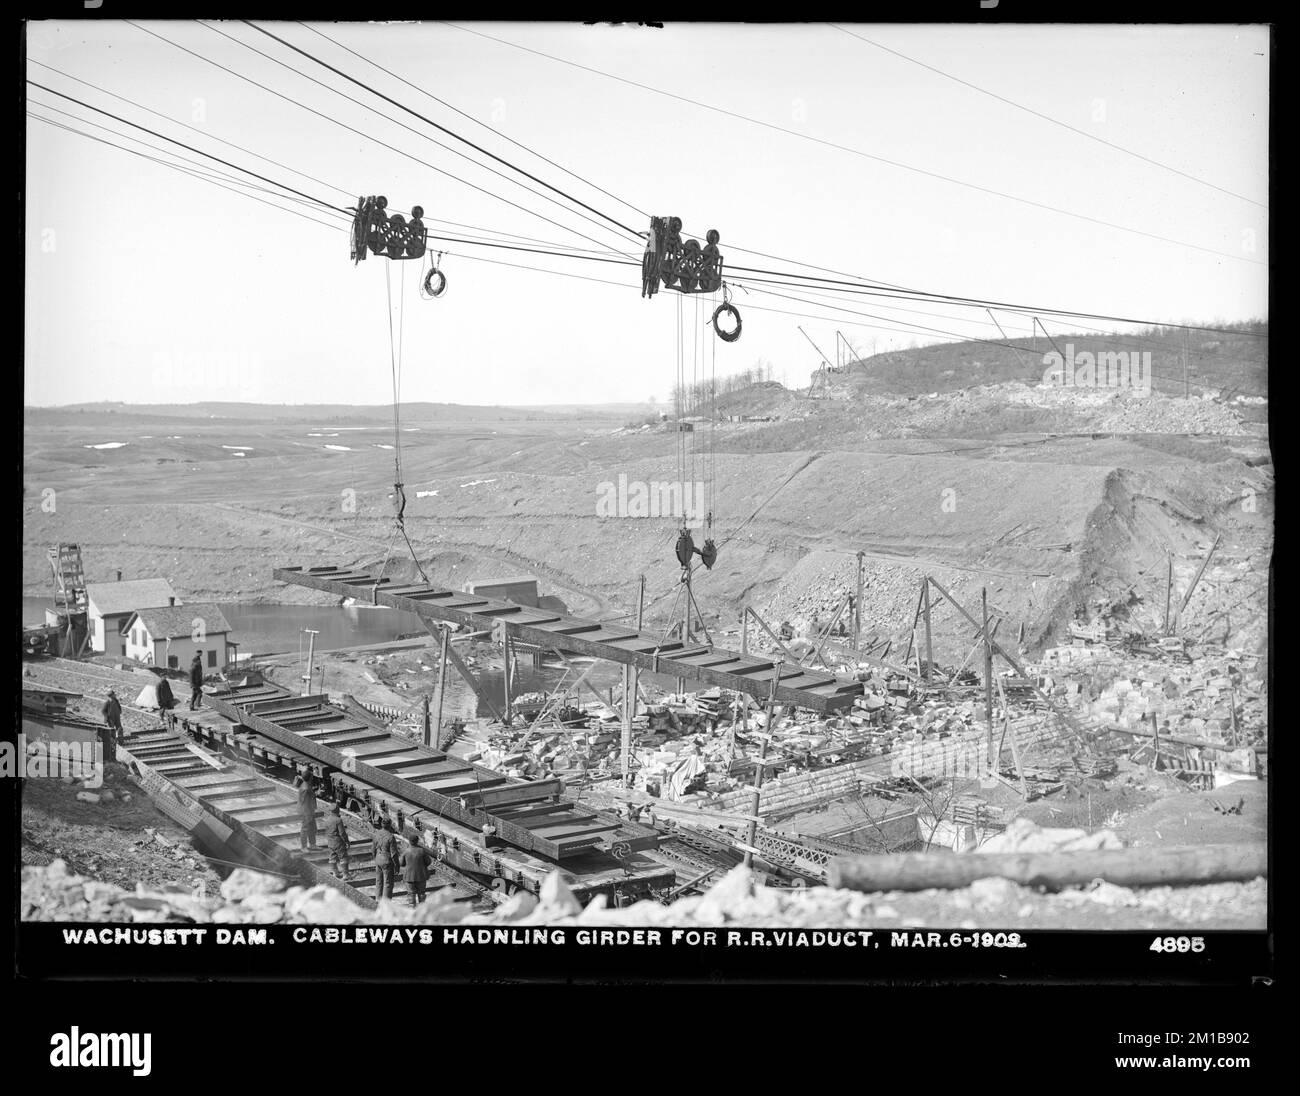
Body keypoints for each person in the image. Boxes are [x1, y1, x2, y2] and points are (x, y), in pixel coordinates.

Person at [401, 833, 434, 907]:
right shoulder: (422, 851)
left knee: (411, 893)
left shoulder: (406, 851)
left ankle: (412, 908)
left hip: (409, 877)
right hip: (421, 876)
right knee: (422, 893)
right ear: (417, 841)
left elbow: (401, 863)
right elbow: (428, 862)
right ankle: (422, 910)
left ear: (409, 841)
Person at [371, 820, 399, 902]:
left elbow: (373, 849)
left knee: (378, 881)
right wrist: (397, 866)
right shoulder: (390, 837)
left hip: (378, 859)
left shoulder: (376, 834)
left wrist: (375, 859)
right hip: (387, 860)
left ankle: (377, 899)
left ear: (381, 824)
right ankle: (386, 903)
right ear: (390, 825)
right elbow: (393, 854)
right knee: (387, 883)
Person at [322, 803, 350, 880]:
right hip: (338, 842)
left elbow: (326, 832)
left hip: (330, 842)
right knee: (343, 857)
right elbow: (342, 833)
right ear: (338, 810)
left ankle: (335, 873)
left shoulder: (327, 820)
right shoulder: (338, 820)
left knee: (332, 857)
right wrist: (347, 841)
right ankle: (345, 875)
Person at [294, 775, 317, 851]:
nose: (312, 778)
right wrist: (308, 814)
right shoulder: (305, 788)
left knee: (313, 828)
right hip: (306, 811)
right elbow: (304, 802)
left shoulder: (306, 785)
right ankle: (303, 847)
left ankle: (312, 845)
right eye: (312, 777)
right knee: (305, 829)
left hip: (310, 810)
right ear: (309, 778)